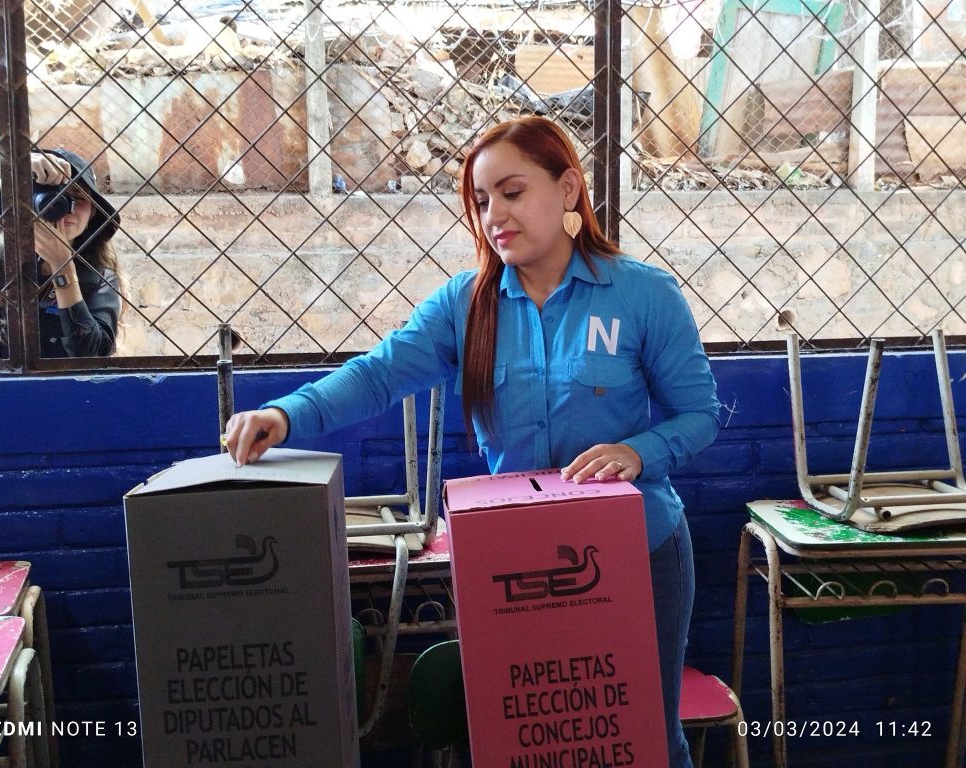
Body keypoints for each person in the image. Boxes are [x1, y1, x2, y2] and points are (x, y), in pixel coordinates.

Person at [224, 115, 720, 768]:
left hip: (639, 550)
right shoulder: (467, 305)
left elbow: (700, 416)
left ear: (568, 189)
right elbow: (377, 374)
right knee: (530, 740)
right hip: (515, 565)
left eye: (512, 193)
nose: (493, 216)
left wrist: (637, 453)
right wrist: (286, 416)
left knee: (641, 736)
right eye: (482, 201)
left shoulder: (642, 295)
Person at [0, 149, 122, 360]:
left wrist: (62, 266)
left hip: (55, 393)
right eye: (51, 197)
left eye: (77, 197)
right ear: (22, 206)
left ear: (93, 211)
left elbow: (93, 356)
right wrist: (5, 166)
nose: (65, 208)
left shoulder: (99, 279)